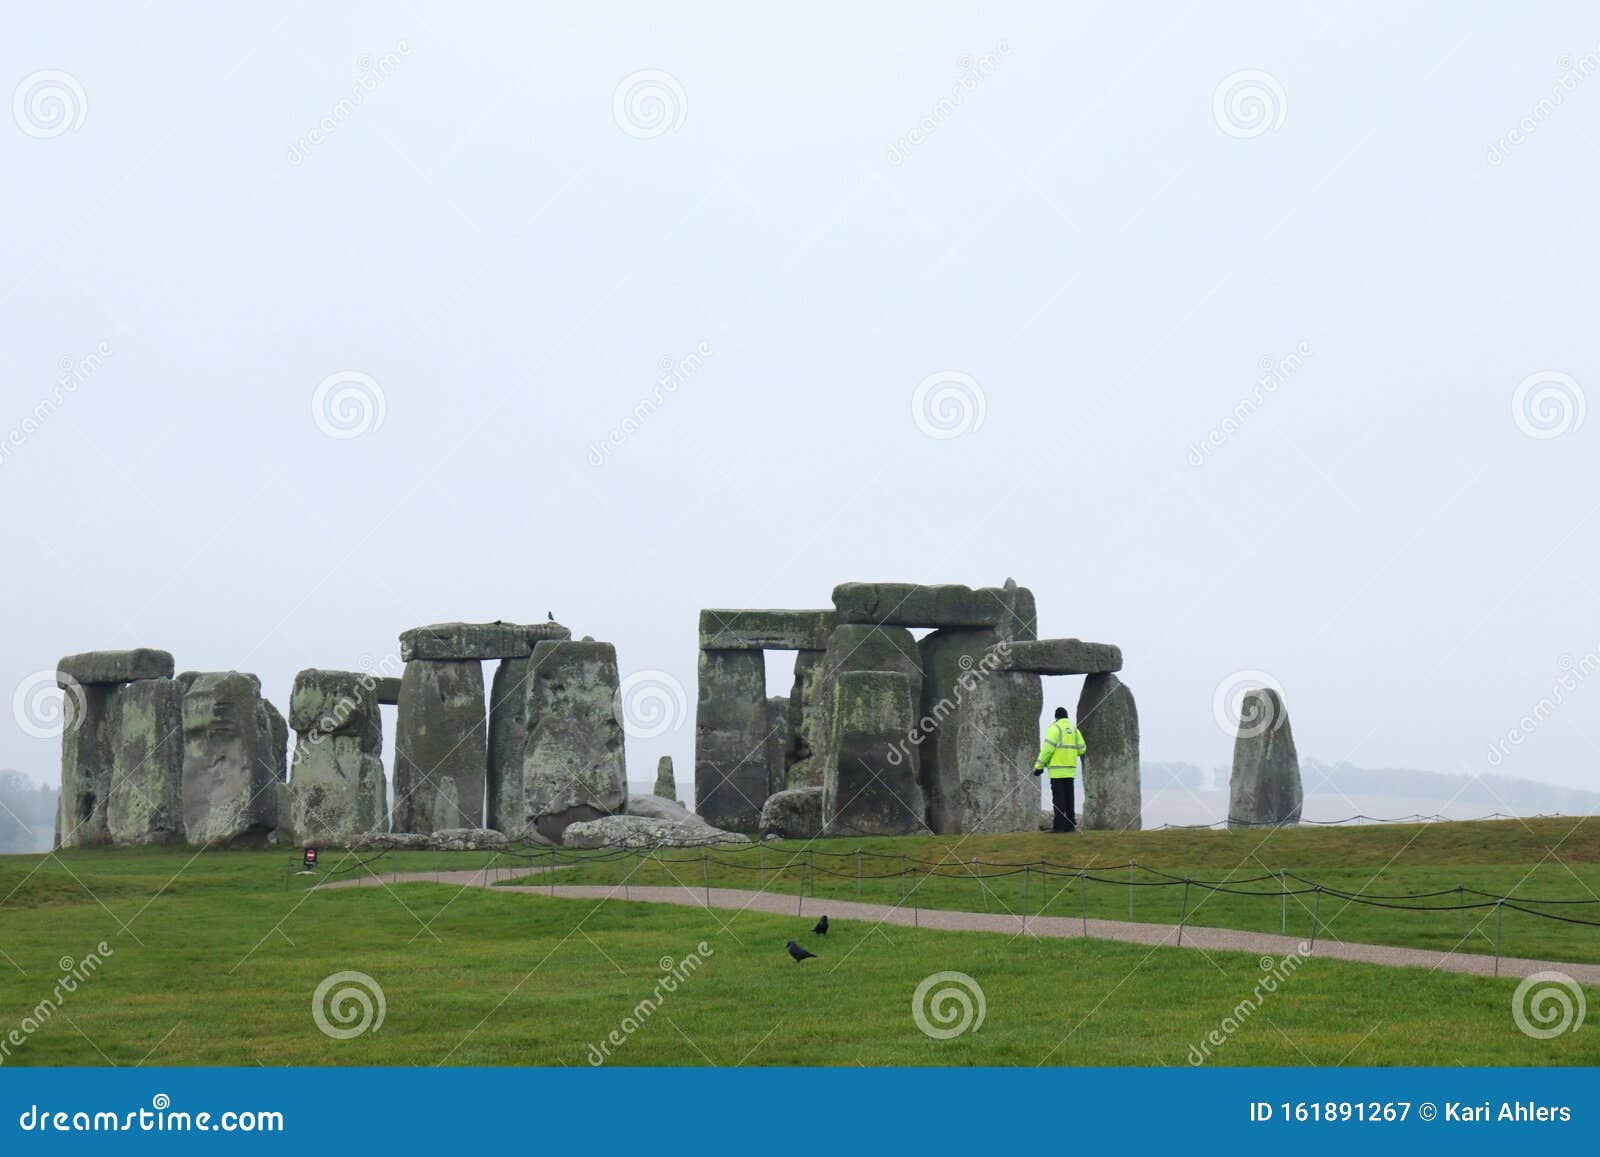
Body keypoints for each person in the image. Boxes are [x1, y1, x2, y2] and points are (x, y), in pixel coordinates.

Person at [1034, 707, 1086, 832]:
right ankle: (1070, 825)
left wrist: (1039, 766)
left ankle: (1058, 826)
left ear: (1056, 717)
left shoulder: (1054, 729)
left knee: (1058, 799)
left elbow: (1047, 750)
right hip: (1070, 770)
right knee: (1069, 798)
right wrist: (1070, 753)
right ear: (1067, 717)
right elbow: (1082, 749)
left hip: (1057, 771)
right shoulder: (1074, 730)